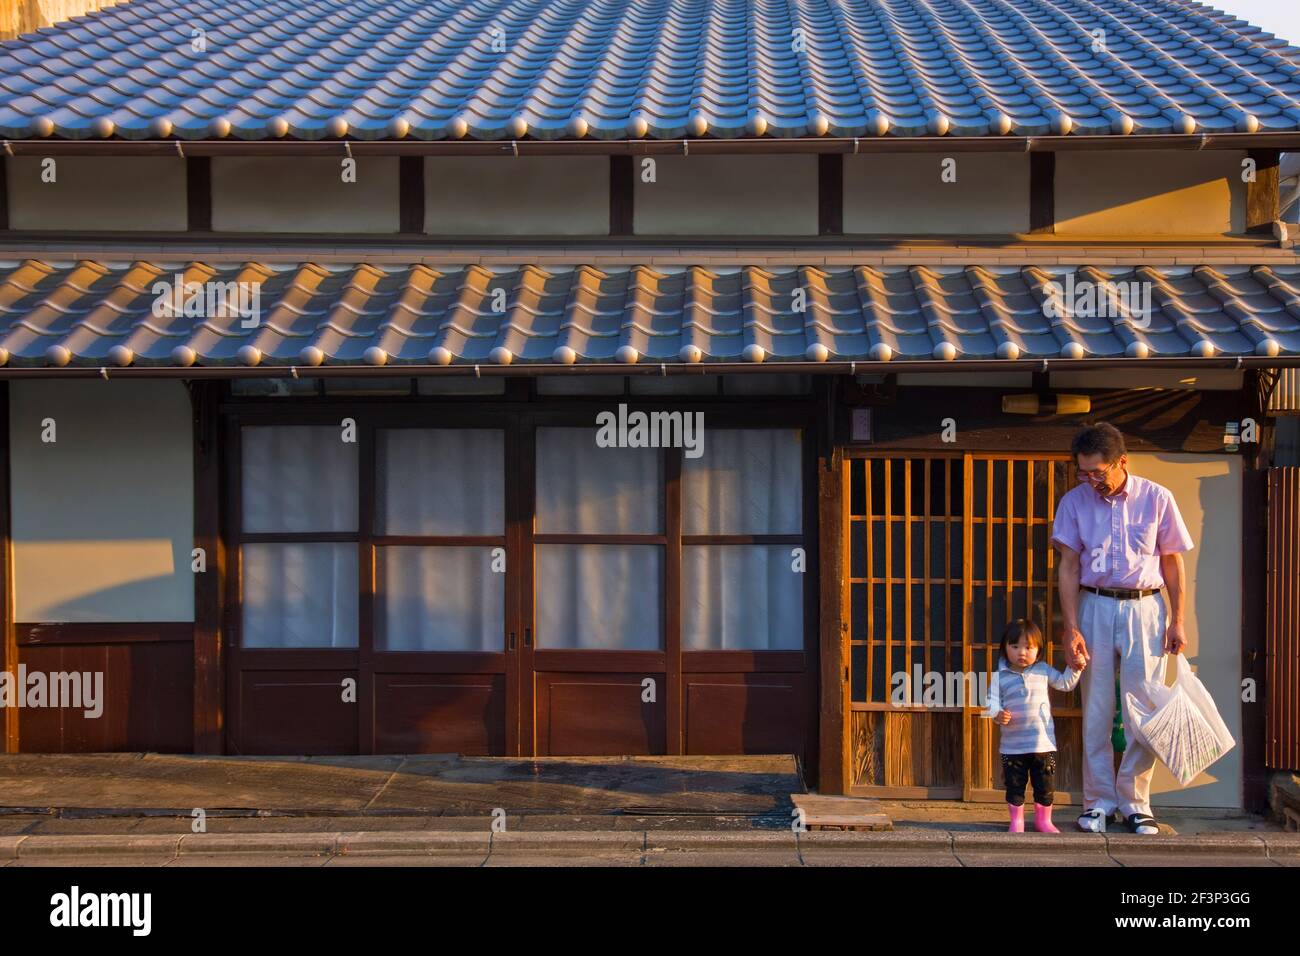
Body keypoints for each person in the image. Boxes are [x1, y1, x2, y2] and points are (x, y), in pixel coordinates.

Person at [1051, 422, 1193, 835]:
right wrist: (1070, 627)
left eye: (1097, 472)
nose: (1090, 480)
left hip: (1146, 608)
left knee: (1143, 709)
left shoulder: (1157, 498)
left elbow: (1172, 562)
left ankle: (1135, 803)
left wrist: (1179, 619)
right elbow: (1069, 566)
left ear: (1121, 462)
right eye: (1083, 472)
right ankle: (1097, 803)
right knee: (1095, 707)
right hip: (1093, 602)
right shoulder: (1074, 502)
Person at [983, 619, 1083, 832]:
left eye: (1028, 647)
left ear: (1038, 650)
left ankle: (1043, 820)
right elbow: (989, 702)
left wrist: (1076, 668)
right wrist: (997, 714)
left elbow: (1065, 683)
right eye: (1015, 646)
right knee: (1014, 786)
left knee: (1044, 786)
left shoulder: (1043, 670)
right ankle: (1017, 821)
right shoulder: (999, 677)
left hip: (1042, 744)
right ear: (1005, 648)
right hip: (1013, 747)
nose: (1021, 652)